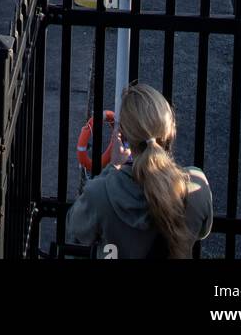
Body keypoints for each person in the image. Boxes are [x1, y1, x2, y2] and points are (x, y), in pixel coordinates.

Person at [66, 84, 213, 259]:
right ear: (171, 131)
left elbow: (75, 229)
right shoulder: (197, 186)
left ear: (124, 137)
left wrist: (112, 169)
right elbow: (203, 231)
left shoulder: (100, 193)